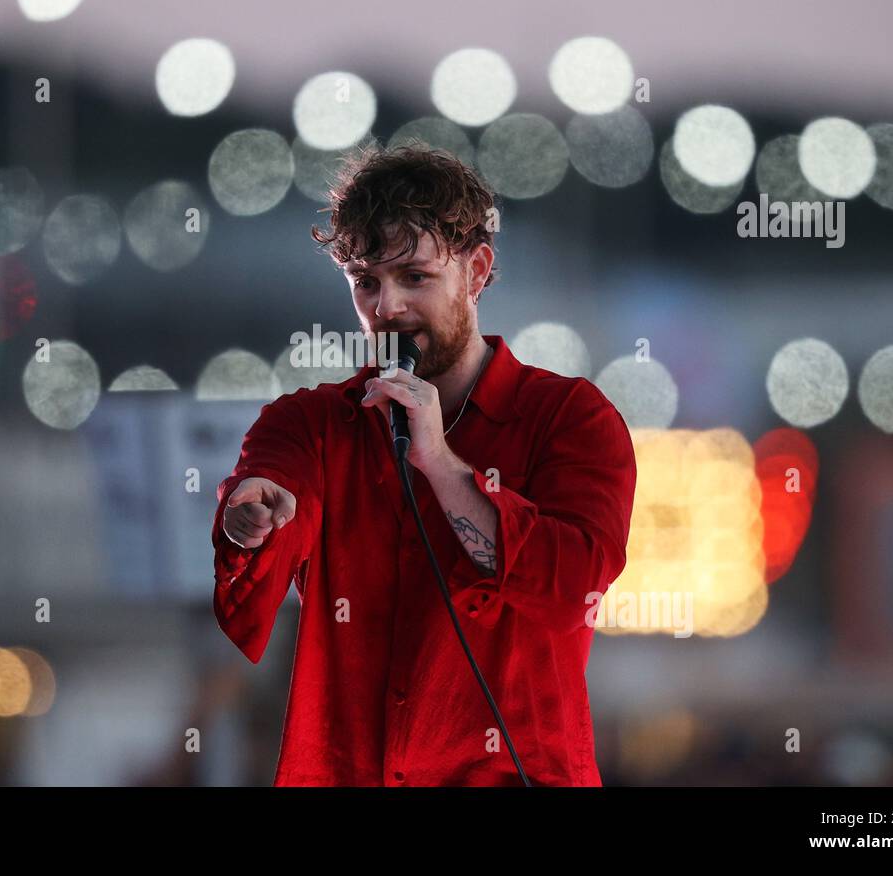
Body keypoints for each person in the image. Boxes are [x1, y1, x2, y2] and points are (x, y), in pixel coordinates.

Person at [211, 144, 637, 786]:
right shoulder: (315, 424)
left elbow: (574, 584)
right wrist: (252, 517)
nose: (387, 308)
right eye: (365, 281)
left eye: (415, 277)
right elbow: (266, 513)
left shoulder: (569, 418)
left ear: (477, 271)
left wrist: (439, 462)